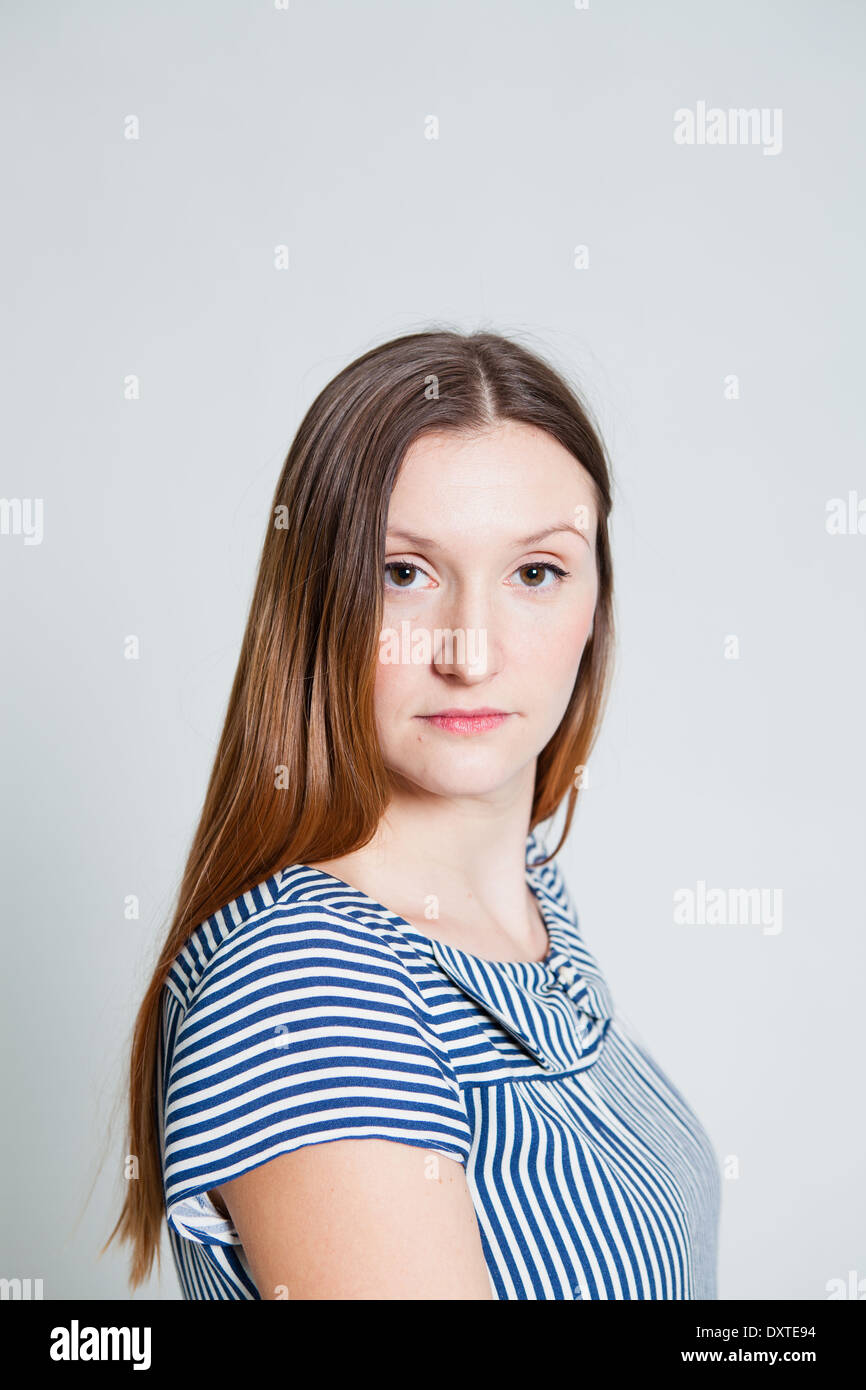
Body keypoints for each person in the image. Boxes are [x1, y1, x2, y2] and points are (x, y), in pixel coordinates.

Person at [106, 328, 720, 1299]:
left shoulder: (528, 911)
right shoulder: (307, 980)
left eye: (534, 573)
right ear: (317, 603)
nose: (468, 653)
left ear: (595, 606)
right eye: (404, 573)